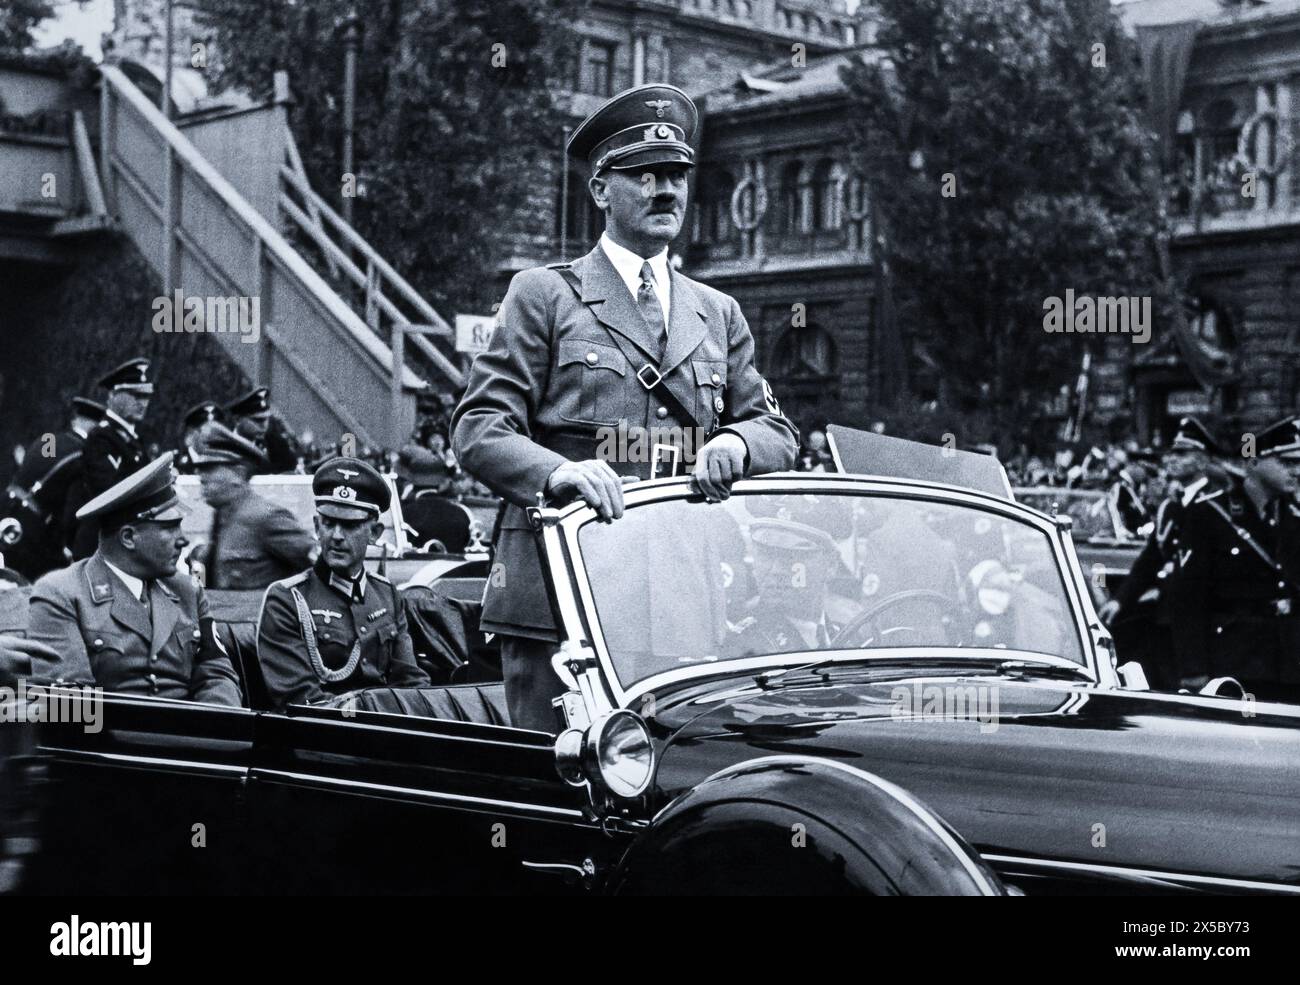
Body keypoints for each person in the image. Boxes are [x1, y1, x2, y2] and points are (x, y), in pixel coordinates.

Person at [451, 83, 799, 731]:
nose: (665, 190)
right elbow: (477, 429)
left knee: (661, 783)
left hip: (678, 596)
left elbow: (776, 430)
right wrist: (559, 472)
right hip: (563, 587)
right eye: (644, 175)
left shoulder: (716, 313)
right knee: (556, 782)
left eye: (676, 176)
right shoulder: (544, 295)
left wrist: (736, 444)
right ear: (601, 190)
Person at [25, 454, 242, 705]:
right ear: (128, 537)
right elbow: (71, 704)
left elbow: (216, 673)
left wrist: (213, 728)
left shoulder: (187, 591)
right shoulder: (62, 593)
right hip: (108, 741)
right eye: (170, 528)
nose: (183, 540)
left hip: (194, 737)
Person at [256, 457, 430, 708]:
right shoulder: (286, 599)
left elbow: (411, 680)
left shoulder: (387, 595)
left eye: (350, 525)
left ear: (375, 533)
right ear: (317, 526)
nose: (336, 536)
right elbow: (300, 700)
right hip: (321, 736)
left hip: (386, 733)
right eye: (329, 523)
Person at [1170, 416, 1300, 702]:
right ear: (1253, 463)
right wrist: (1193, 669)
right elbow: (1188, 597)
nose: (1297, 471)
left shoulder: (1292, 517)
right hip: (1235, 660)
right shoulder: (1210, 514)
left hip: (1289, 660)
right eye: (1286, 463)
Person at [1101, 417, 1227, 688]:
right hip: (1166, 617)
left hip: (1204, 622)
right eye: (1171, 452)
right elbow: (1150, 561)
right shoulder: (1171, 507)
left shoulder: (1218, 504)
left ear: (1203, 460)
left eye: (1182, 453)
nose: (1171, 459)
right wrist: (1120, 600)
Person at [189, 423, 317, 590]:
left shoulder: (266, 517)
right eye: (201, 469)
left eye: (211, 469)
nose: (202, 477)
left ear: (239, 474)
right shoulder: (221, 519)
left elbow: (318, 567)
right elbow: (204, 588)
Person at [1, 396, 103, 579]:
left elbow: (29, 469)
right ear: (96, 426)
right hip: (33, 532)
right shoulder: (83, 455)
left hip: (7, 508)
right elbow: (71, 515)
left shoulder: (51, 439)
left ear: (76, 419)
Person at [68, 358, 153, 560]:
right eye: (135, 395)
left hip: (123, 543)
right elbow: (110, 492)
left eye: (146, 396)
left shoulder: (133, 440)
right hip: (100, 545)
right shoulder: (101, 438)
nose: (142, 403)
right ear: (113, 395)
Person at [226, 386, 300, 473]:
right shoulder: (227, 447)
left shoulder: (275, 444)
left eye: (267, 419)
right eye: (257, 420)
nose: (264, 426)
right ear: (237, 420)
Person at [175, 400, 220, 475]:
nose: (212, 438)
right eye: (205, 431)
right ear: (191, 432)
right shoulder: (176, 465)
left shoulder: (221, 462)